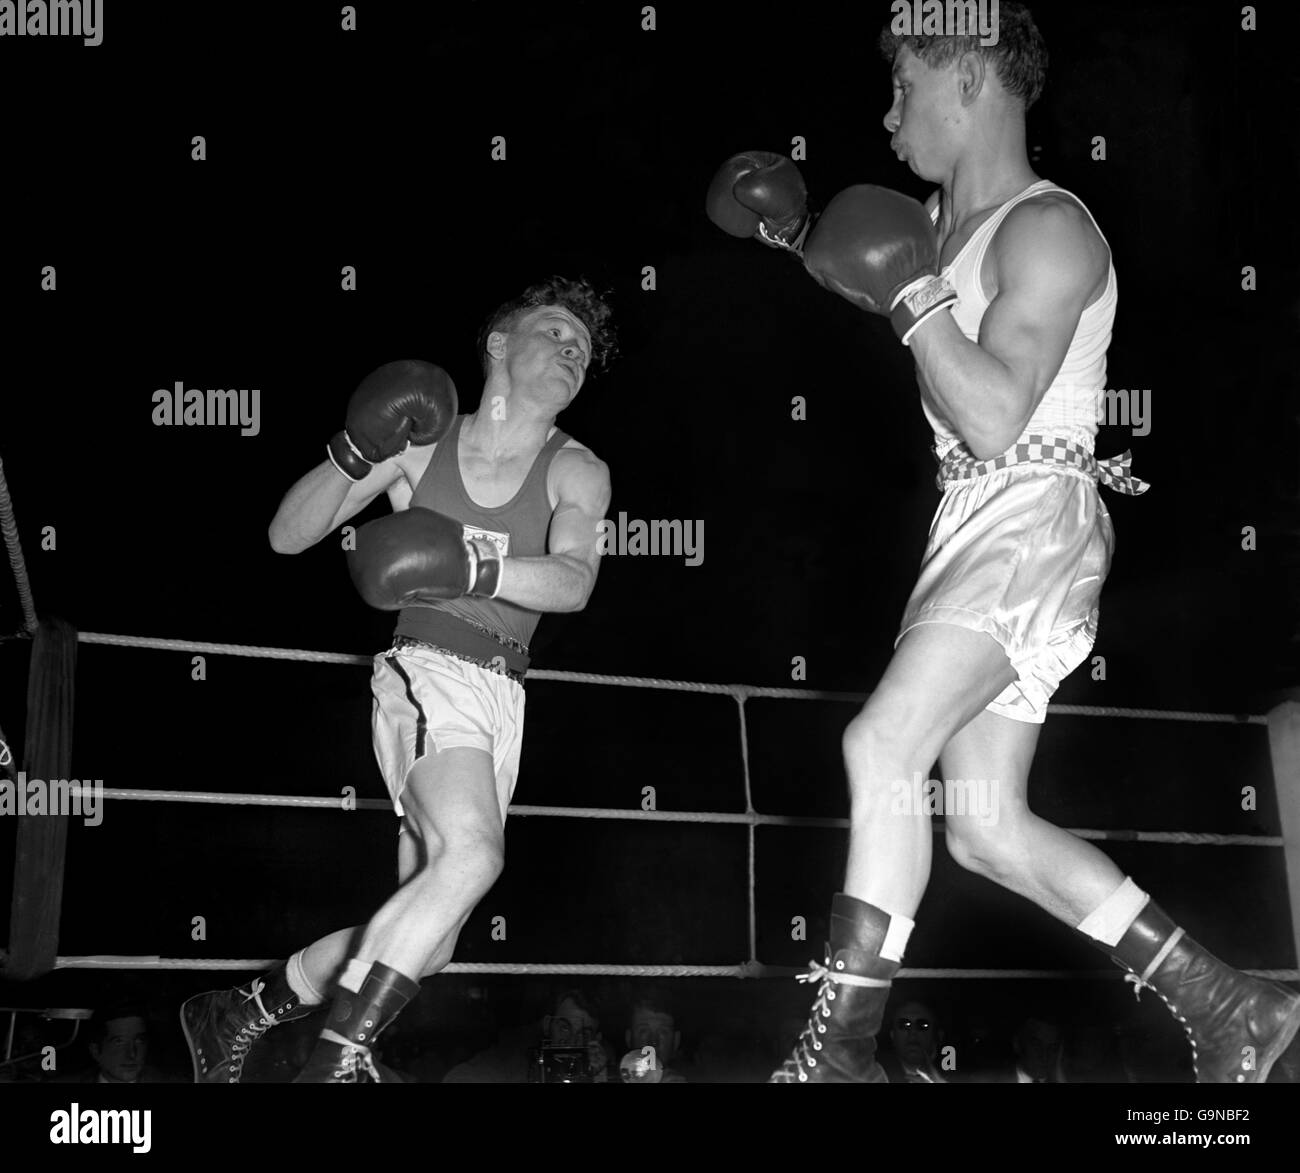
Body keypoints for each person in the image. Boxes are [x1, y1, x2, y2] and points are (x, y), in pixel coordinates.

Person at [709, 3, 1300, 1084]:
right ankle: (1231, 1007)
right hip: (972, 519)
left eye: (902, 86)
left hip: (1032, 507)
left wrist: (911, 286)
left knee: (880, 747)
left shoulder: (1049, 228)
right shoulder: (935, 223)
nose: (885, 116)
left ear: (969, 72)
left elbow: (989, 411)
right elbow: (885, 283)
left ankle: (836, 1057)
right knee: (984, 828)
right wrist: (798, 238)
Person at [182, 276, 616, 1083]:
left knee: (433, 935)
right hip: (427, 671)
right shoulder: (419, 443)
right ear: (498, 345)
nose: (570, 352)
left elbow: (574, 580)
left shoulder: (579, 469)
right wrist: (355, 448)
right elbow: (287, 534)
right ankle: (339, 1058)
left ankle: (248, 1006)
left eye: (582, 350)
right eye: (555, 332)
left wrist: (471, 559)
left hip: (504, 697)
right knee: (475, 853)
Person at [443, 988, 614, 1083]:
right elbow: (458, 1077)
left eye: (584, 1034)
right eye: (564, 1028)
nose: (572, 1041)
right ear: (548, 1025)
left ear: (596, 1039)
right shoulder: (519, 1058)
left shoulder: (605, 1067)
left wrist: (599, 1076)